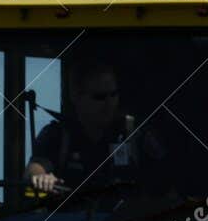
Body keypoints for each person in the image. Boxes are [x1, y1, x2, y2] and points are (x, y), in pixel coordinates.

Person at [26, 60, 134, 196]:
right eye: (99, 97)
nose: (110, 104)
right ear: (76, 97)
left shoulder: (130, 134)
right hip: (72, 216)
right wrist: (41, 178)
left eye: (113, 94)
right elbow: (34, 169)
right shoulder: (57, 135)